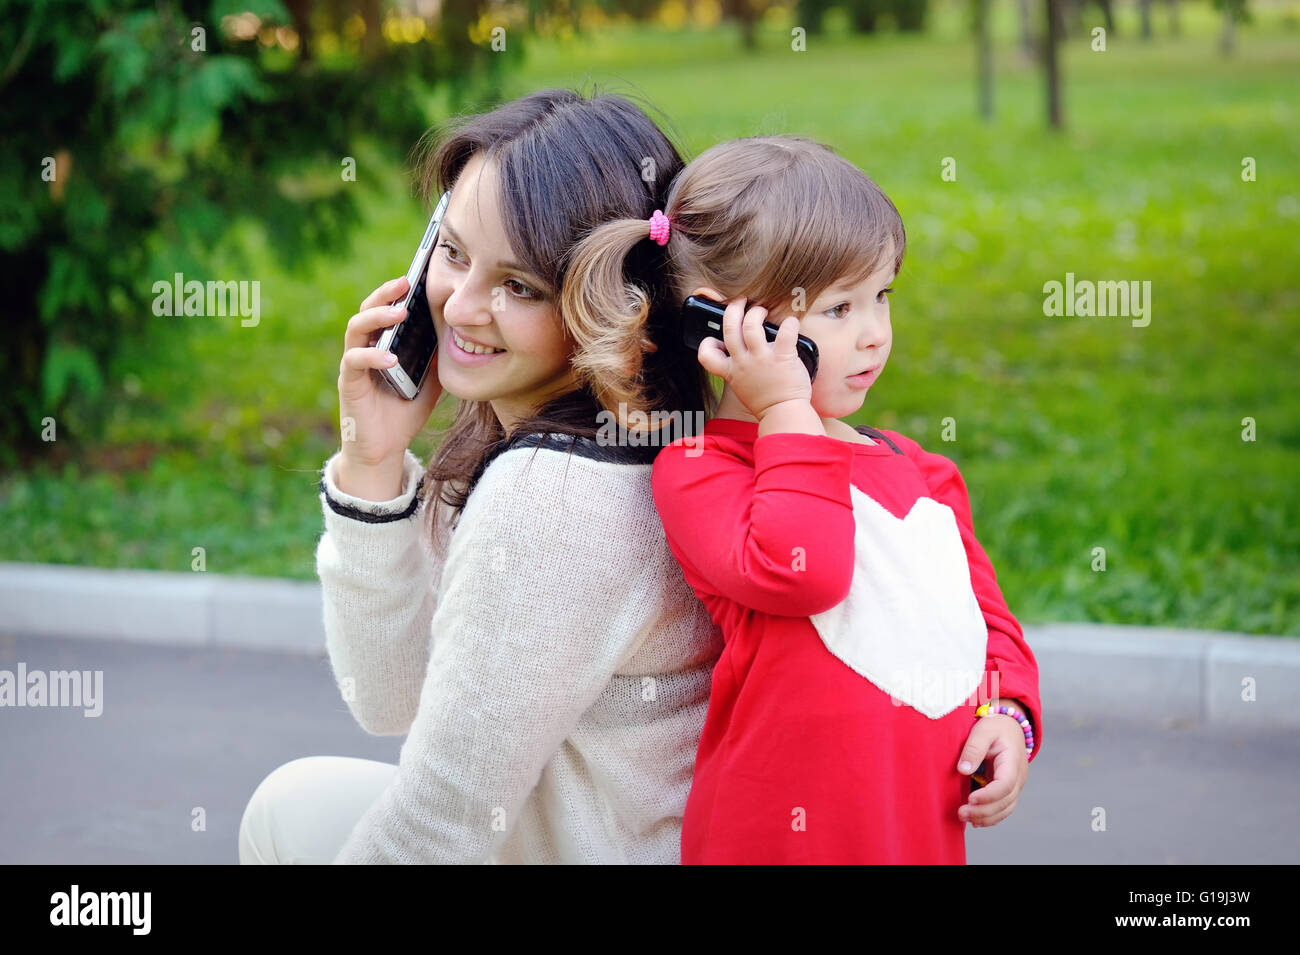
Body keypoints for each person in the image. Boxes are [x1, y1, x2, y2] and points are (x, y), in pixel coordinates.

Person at [238, 88, 723, 864]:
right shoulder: (608, 433)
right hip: (564, 838)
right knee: (293, 802)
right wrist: (371, 466)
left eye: (519, 286)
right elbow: (390, 697)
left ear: (609, 308)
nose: (460, 306)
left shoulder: (552, 499)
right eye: (455, 252)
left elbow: (439, 829)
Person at [564, 134, 1043, 863]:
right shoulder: (701, 470)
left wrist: (1009, 715)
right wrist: (787, 412)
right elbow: (803, 568)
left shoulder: (922, 476)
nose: (874, 335)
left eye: (881, 296)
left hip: (912, 837)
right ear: (726, 324)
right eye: (839, 308)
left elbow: (988, 627)